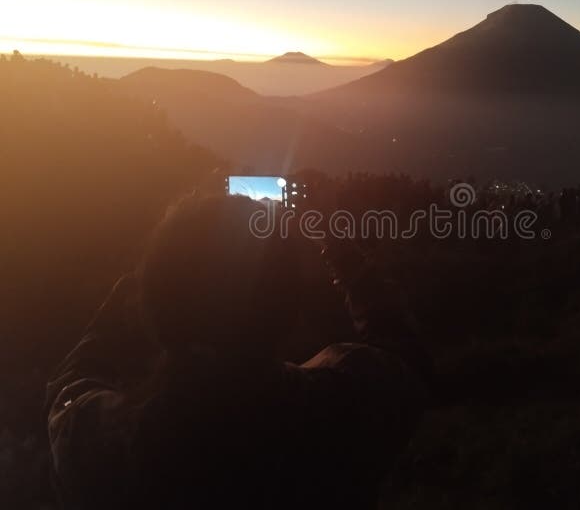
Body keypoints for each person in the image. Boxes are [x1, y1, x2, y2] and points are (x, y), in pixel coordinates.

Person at [46, 194, 429, 509]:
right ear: (289, 308)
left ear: (154, 309)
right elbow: (404, 356)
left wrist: (130, 291)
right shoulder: (343, 408)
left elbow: (73, 384)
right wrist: (348, 263)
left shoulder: (107, 442)